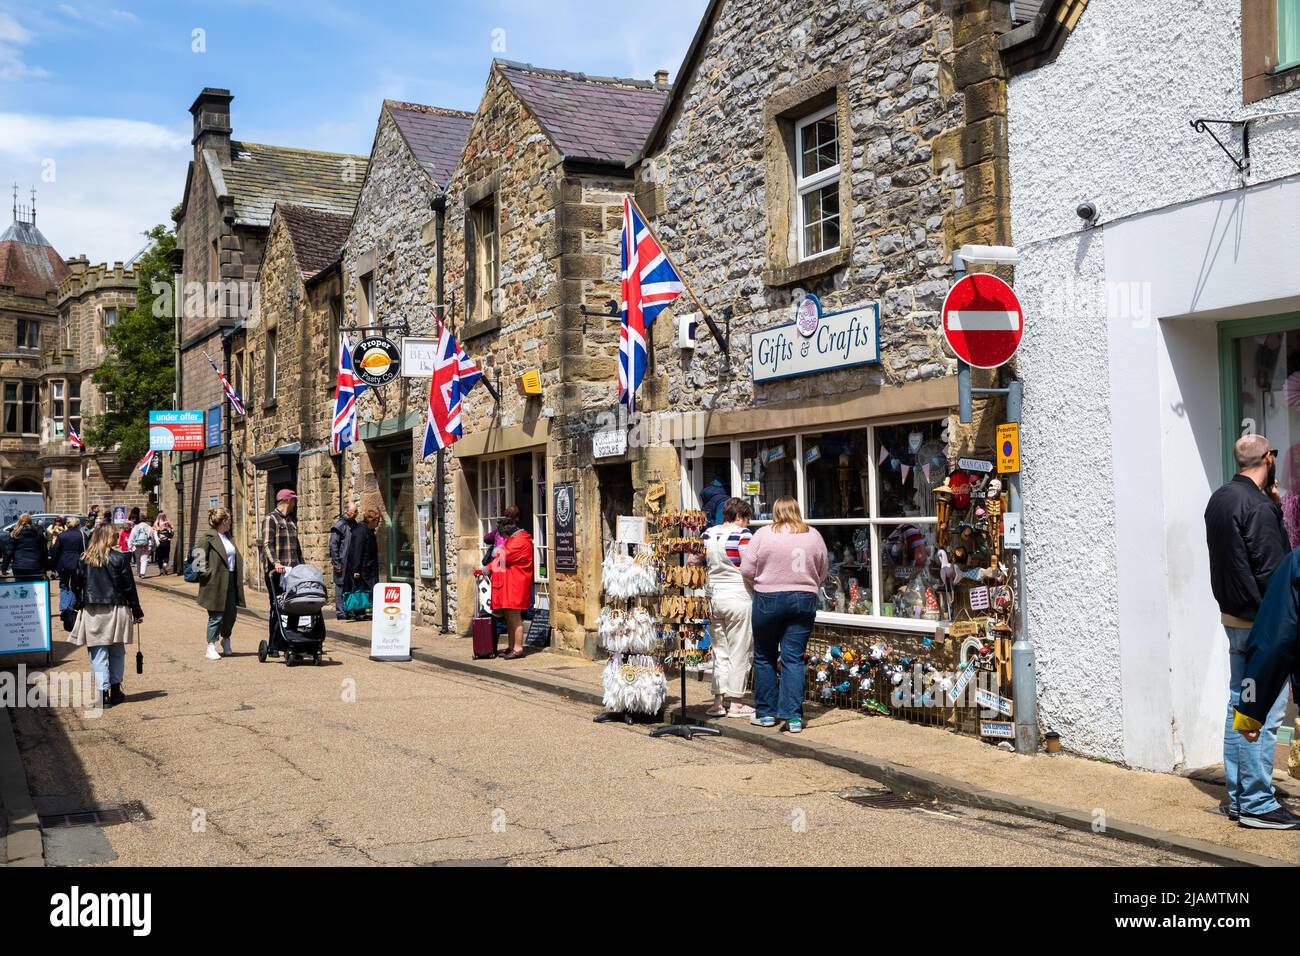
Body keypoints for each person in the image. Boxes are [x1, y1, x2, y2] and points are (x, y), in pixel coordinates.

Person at [1205, 434, 1299, 829]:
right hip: (1261, 624)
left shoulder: (1220, 498)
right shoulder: (1257, 506)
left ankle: (1239, 795)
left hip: (1234, 619)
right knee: (1263, 709)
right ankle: (1258, 802)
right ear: (1269, 459)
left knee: (1241, 703)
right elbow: (1272, 573)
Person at [740, 495, 827, 734]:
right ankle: (793, 717)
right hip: (804, 597)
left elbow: (746, 569)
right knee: (793, 658)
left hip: (769, 597)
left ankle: (767, 713)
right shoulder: (813, 535)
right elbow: (823, 569)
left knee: (765, 656)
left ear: (775, 512)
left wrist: (759, 581)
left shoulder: (763, 535)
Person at [69, 523, 143, 709]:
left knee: (98, 653)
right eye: (115, 536)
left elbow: (75, 584)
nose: (117, 539)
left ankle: (104, 695)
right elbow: (128, 586)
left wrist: (79, 602)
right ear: (109, 538)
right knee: (117, 651)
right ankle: (116, 690)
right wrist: (136, 609)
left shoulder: (84, 558)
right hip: (117, 608)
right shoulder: (119, 558)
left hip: (94, 610)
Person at [696, 497, 755, 718]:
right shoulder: (743, 535)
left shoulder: (708, 534)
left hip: (713, 598)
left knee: (720, 651)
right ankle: (737, 703)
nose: (747, 523)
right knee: (740, 650)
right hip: (738, 597)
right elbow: (749, 567)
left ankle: (718, 702)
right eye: (746, 518)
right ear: (738, 516)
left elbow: (693, 560)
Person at [194, 507, 245, 660]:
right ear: (223, 521)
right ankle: (211, 646)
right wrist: (209, 574)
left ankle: (226, 639)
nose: (231, 522)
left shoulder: (228, 536)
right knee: (216, 615)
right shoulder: (207, 537)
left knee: (231, 614)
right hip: (214, 581)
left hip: (230, 580)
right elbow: (198, 561)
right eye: (229, 519)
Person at [490, 505, 534, 660]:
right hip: (510, 584)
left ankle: (517, 648)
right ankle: (510, 646)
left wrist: (497, 551)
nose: (502, 533)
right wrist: (487, 568)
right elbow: (500, 562)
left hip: (516, 585)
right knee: (509, 617)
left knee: (515, 618)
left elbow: (503, 556)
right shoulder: (514, 540)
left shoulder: (519, 541)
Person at [261, 488, 302, 650]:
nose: (295, 504)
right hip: (276, 573)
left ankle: (291, 640)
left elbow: (296, 548)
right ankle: (274, 644)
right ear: (288, 501)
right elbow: (266, 544)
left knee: (296, 605)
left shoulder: (292, 521)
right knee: (277, 607)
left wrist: (302, 567)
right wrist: (276, 563)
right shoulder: (270, 519)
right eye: (294, 501)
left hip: (293, 572)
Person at [343, 508, 380, 619]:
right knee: (360, 590)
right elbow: (357, 551)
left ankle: (363, 612)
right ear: (371, 520)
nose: (377, 524)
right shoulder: (361, 531)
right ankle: (359, 612)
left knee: (366, 590)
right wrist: (356, 570)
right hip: (363, 568)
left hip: (369, 567)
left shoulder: (368, 530)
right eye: (377, 521)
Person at [328, 502, 358, 620]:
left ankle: (349, 609)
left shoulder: (354, 524)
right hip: (342, 562)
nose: (356, 514)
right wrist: (337, 563)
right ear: (346, 512)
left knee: (350, 586)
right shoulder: (339, 526)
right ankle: (341, 612)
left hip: (351, 562)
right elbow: (333, 545)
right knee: (340, 587)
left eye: (356, 511)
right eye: (354, 511)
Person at [2, 513, 49, 582]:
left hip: (19, 566)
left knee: (21, 588)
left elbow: (8, 552)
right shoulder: (39, 533)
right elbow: (44, 551)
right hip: (35, 565)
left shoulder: (15, 534)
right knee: (36, 590)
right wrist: (45, 567)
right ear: (30, 521)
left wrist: (4, 567)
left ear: (19, 521)